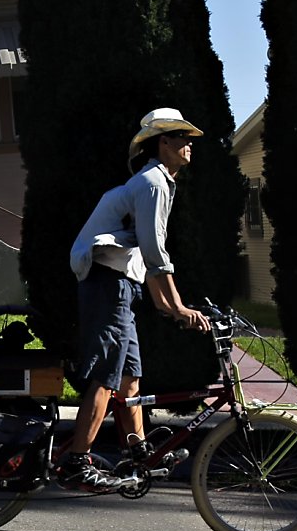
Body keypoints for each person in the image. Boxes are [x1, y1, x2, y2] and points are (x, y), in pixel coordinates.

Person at [59, 108, 212, 492]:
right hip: (106, 284)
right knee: (106, 378)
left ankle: (137, 451)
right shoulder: (153, 183)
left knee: (130, 378)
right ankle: (78, 462)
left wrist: (167, 305)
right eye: (181, 137)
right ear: (163, 142)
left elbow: (146, 259)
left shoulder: (154, 182)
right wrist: (177, 307)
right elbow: (155, 250)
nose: (189, 144)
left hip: (120, 284)